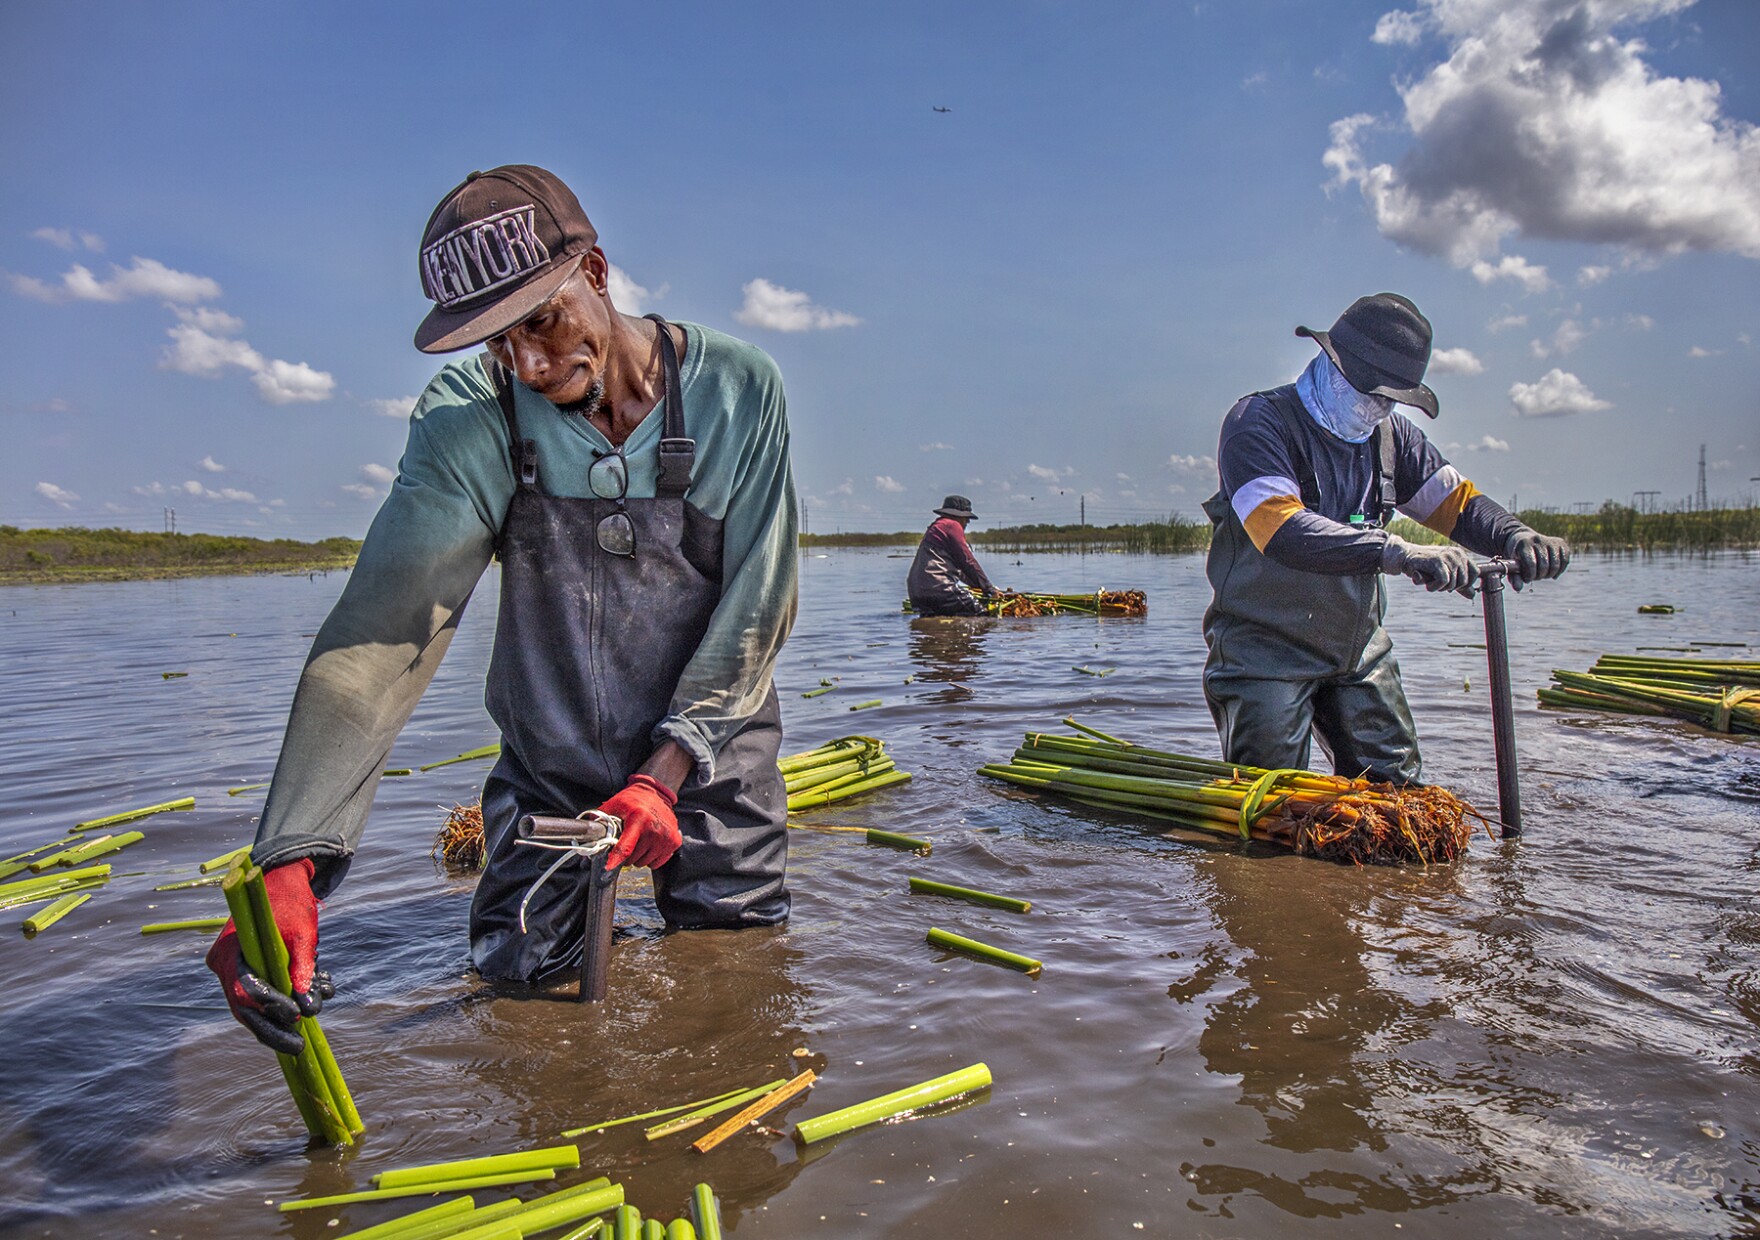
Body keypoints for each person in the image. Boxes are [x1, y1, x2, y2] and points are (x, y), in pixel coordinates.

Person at [207, 165, 799, 1052]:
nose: (526, 363)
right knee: (519, 986)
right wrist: (289, 859)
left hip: (712, 755)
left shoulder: (738, 392)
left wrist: (665, 772)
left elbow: (759, 603)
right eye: (495, 342)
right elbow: (385, 633)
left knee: (732, 986)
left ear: (594, 273)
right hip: (551, 766)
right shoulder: (469, 416)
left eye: (541, 321)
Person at [1201, 292, 1569, 784]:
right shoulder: (1258, 423)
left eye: (1393, 399)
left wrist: (1515, 535)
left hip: (1357, 651)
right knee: (1272, 803)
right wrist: (1397, 551)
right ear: (1333, 366)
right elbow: (1281, 530)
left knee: (1399, 797)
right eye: (1373, 393)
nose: (1381, 408)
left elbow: (1459, 506)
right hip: (1264, 651)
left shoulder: (1394, 439)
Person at [906, 495, 999, 615]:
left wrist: (982, 587)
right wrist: (989, 589)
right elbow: (968, 561)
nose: (968, 522)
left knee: (933, 624)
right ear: (957, 516)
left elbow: (960, 569)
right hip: (939, 589)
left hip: (917, 592)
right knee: (982, 615)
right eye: (966, 518)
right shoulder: (951, 525)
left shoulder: (936, 527)